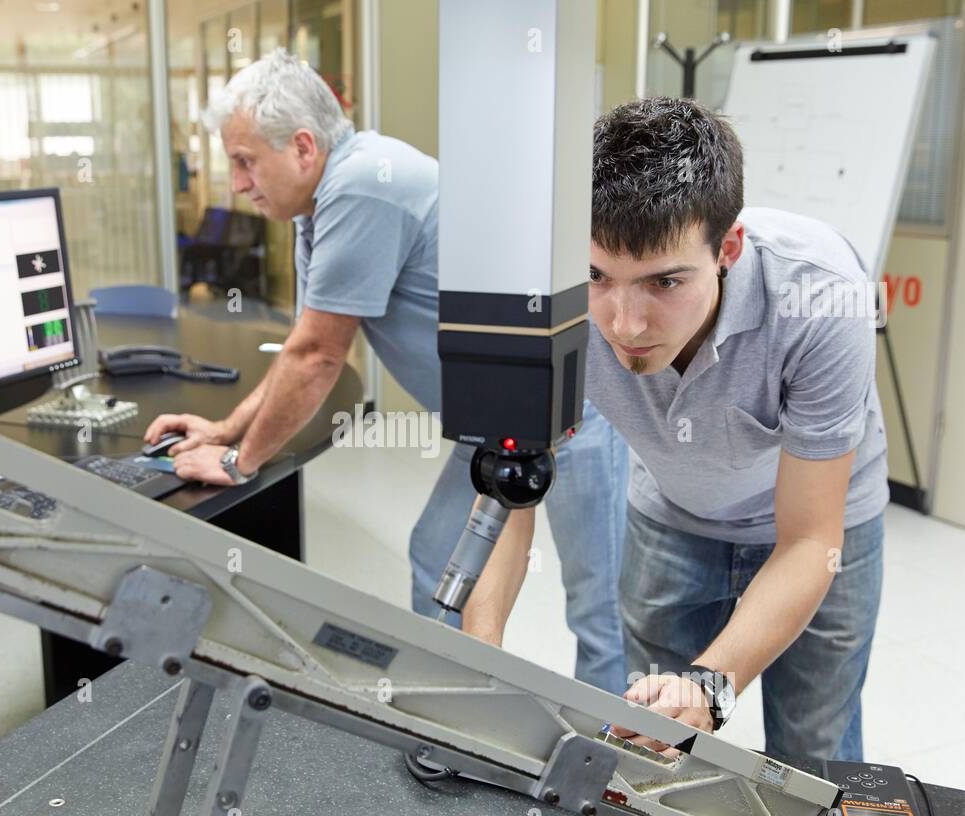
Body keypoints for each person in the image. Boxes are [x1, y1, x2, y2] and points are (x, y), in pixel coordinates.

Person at [144, 49, 631, 692]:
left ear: (301, 147)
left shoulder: (364, 186)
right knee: (439, 561)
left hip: (572, 408)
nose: (237, 182)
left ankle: (619, 769)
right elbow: (305, 345)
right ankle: (455, 720)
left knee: (597, 608)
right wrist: (227, 430)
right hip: (494, 423)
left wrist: (240, 463)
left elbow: (319, 356)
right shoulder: (321, 202)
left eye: (244, 161)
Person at [464, 97, 889, 762]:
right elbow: (505, 499)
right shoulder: (543, 298)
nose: (625, 324)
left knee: (815, 746)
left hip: (823, 520)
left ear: (728, 249)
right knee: (653, 735)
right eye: (597, 277)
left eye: (664, 281)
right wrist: (477, 673)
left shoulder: (822, 296)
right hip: (675, 513)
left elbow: (809, 541)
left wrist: (712, 690)